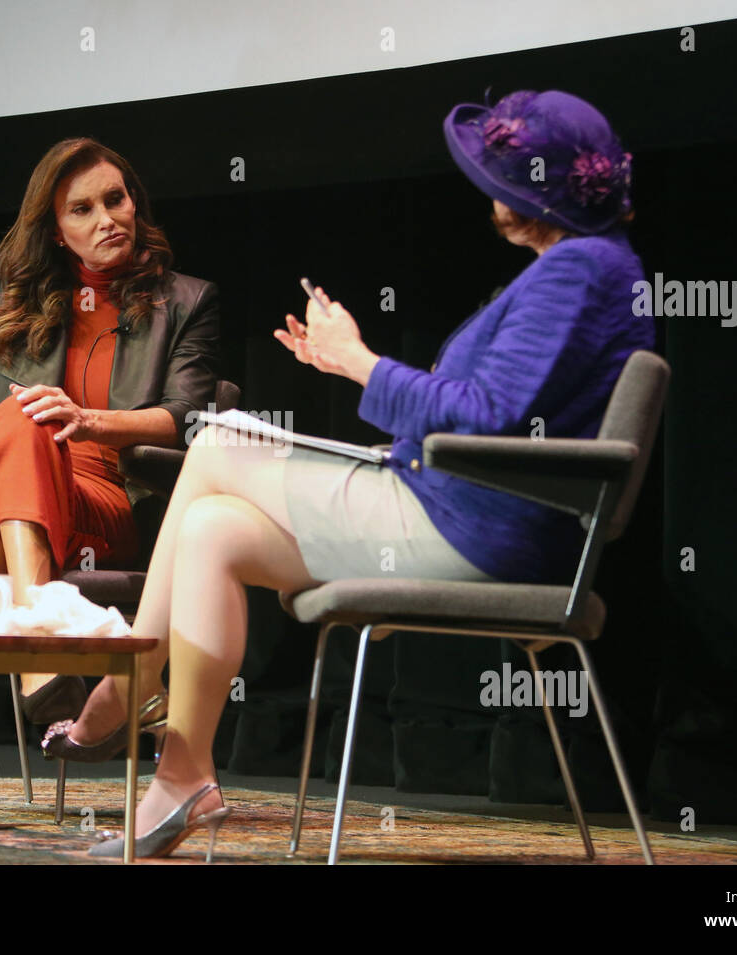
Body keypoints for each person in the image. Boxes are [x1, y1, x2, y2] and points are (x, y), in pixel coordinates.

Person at [44, 89, 655, 860]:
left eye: (502, 172)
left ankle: (129, 683)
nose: (489, 188)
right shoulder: (585, 269)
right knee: (210, 528)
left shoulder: (579, 272)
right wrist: (352, 364)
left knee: (221, 440)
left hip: (475, 529)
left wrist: (355, 362)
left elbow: (486, 416)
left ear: (543, 184)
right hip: (460, 510)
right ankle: (181, 771)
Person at [0, 137, 219, 830]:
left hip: (101, 500)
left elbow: (186, 417)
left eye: (116, 198)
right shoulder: (10, 289)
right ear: (56, 228)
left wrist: (89, 420)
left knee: (20, 425)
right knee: (15, 427)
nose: (108, 217)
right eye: (83, 208)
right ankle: (42, 654)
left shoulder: (186, 301)